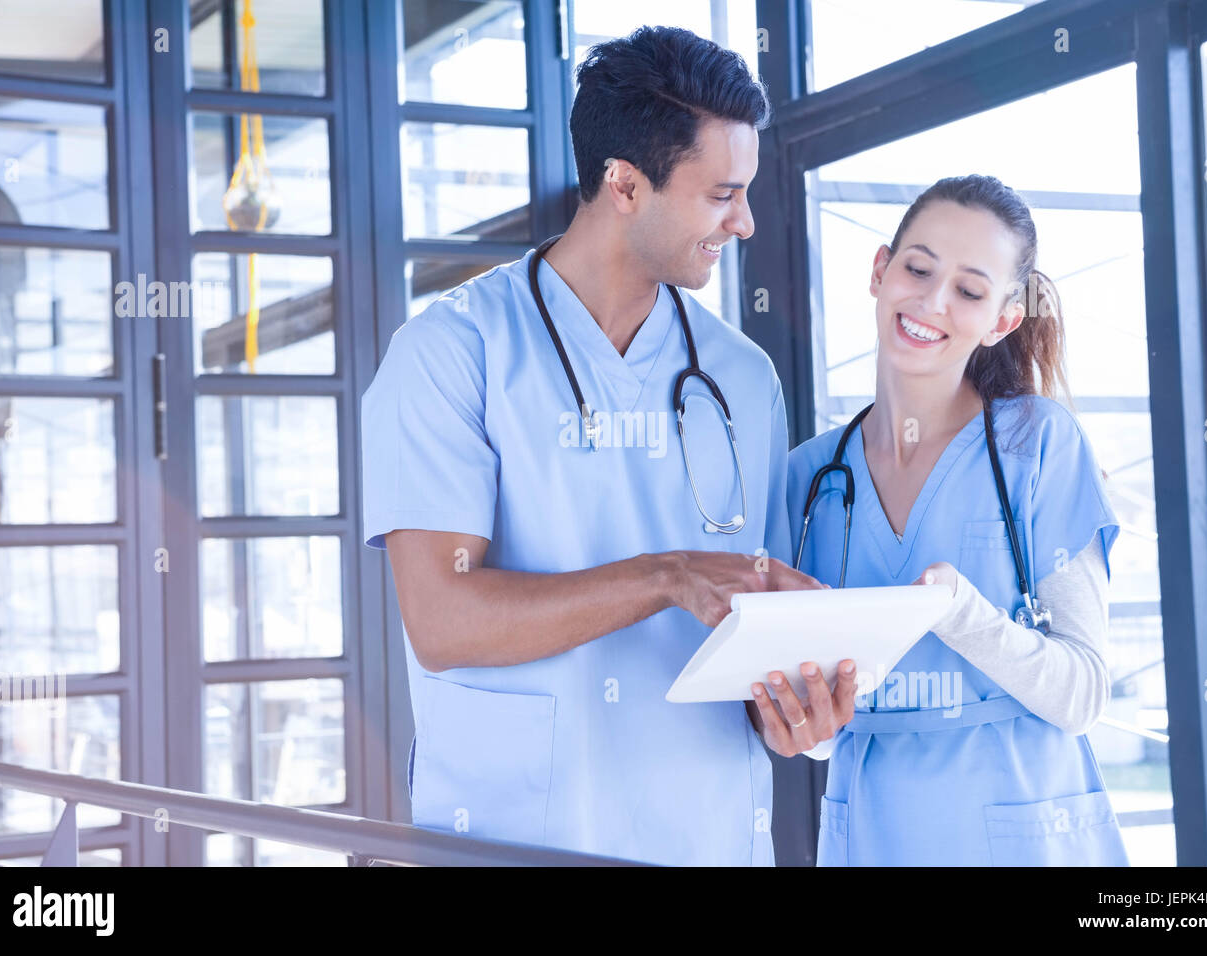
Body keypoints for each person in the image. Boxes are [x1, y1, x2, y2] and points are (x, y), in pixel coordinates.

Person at [361, 25, 854, 867]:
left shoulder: (740, 375)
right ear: (624, 184)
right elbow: (442, 620)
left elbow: (748, 620)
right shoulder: (452, 352)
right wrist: (663, 576)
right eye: (721, 194)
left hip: (705, 835)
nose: (745, 222)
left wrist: (794, 713)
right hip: (520, 834)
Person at [757, 174, 1129, 865]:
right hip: (872, 833)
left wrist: (961, 615)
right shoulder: (811, 478)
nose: (931, 302)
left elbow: (1081, 695)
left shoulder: (1038, 446)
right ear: (879, 270)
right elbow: (819, 724)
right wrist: (804, 728)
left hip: (1024, 834)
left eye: (969, 290)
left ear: (1003, 320)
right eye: (918, 268)